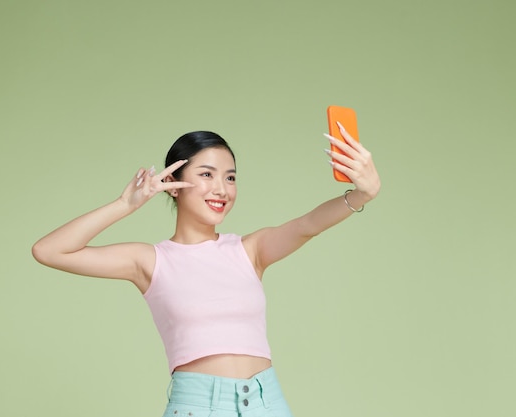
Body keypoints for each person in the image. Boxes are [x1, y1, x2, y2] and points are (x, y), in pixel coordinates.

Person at [32, 125, 380, 417]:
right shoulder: (150, 261)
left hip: (267, 402)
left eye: (230, 178)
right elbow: (49, 250)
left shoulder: (249, 250)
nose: (222, 189)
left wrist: (363, 194)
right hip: (197, 406)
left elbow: (307, 225)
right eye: (206, 175)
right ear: (175, 183)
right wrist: (125, 205)